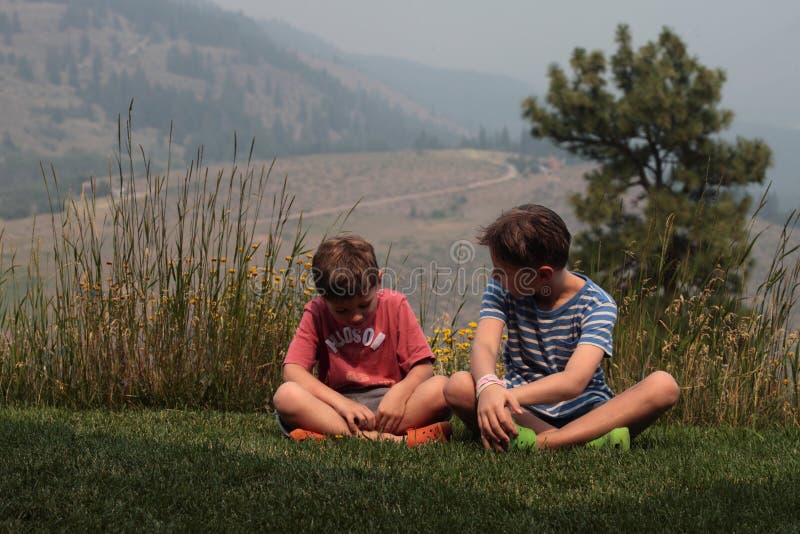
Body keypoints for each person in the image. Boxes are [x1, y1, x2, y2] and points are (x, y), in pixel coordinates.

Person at [444, 204, 680, 451]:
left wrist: (504, 395)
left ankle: (545, 442)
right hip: (522, 411)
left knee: (663, 386)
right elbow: (484, 344)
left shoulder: (598, 305)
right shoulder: (501, 288)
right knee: (459, 385)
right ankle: (580, 443)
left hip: (587, 413)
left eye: (503, 271)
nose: (494, 276)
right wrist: (488, 386)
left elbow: (573, 382)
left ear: (543, 275)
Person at [273, 234, 451, 446]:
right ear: (323, 297)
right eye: (341, 310)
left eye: (365, 305)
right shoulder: (316, 311)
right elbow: (292, 371)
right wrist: (342, 404)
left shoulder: (395, 305)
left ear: (378, 281)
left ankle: (333, 435)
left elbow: (424, 369)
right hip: (337, 408)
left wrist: (398, 396)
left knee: (442, 387)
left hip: (391, 406)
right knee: (286, 395)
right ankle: (393, 440)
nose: (356, 316)